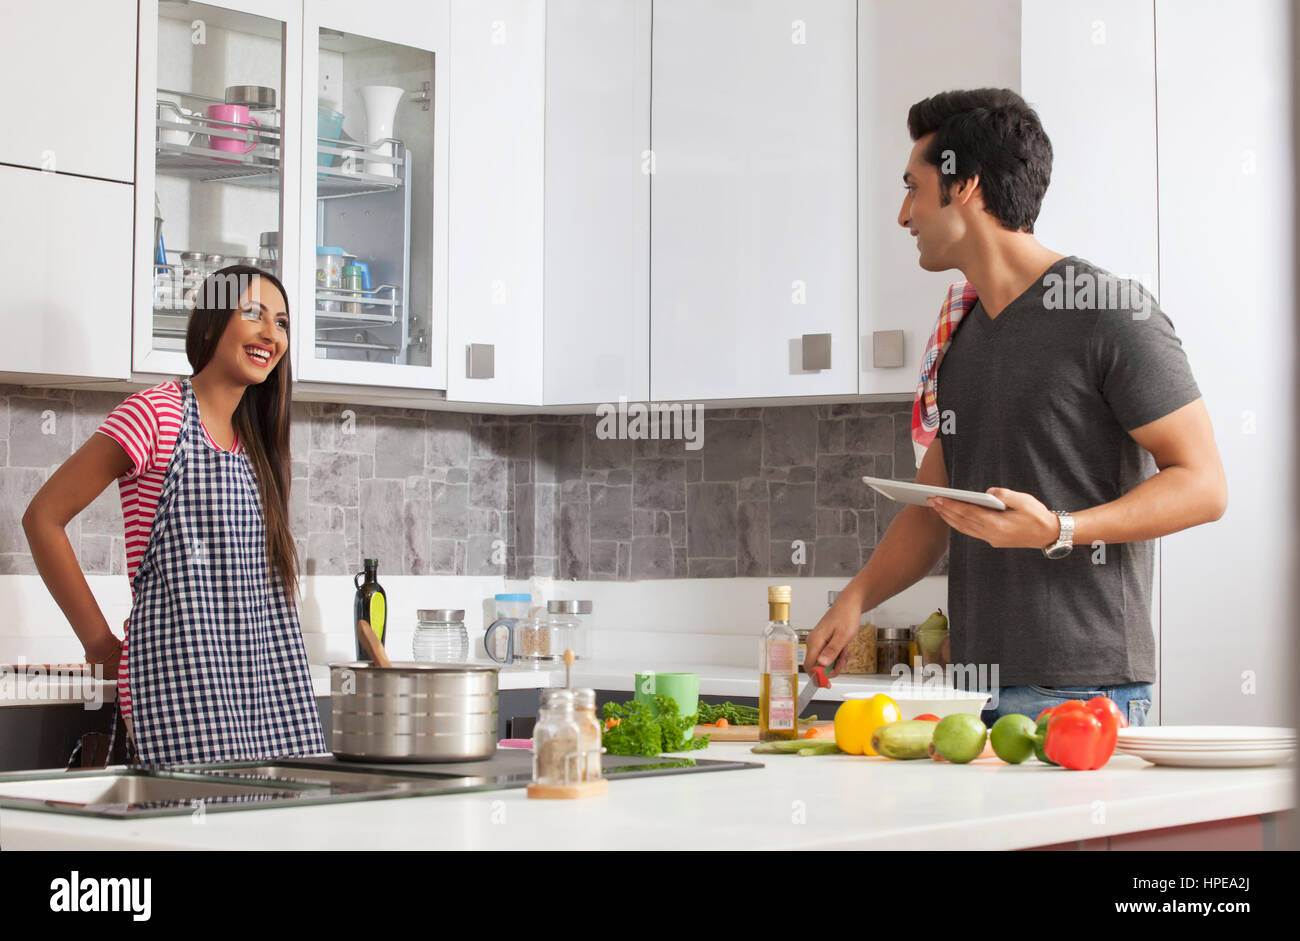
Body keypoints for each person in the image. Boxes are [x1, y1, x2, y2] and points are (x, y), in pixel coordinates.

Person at [803, 89, 1228, 728]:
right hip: (974, 696)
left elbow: (1204, 486)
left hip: (1086, 692)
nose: (902, 214)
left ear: (964, 186)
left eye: (913, 188)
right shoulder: (960, 334)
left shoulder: (1109, 312)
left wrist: (1060, 529)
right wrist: (855, 599)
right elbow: (933, 506)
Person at [23, 266, 327, 765]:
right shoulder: (154, 414)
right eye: (253, 314)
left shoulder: (258, 444)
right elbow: (43, 518)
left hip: (271, 686)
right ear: (210, 326)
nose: (271, 334)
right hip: (182, 686)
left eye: (282, 323)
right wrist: (100, 644)